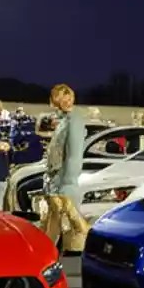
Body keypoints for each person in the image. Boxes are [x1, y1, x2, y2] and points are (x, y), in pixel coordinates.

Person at [39, 84, 90, 254]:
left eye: (68, 97)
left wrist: (67, 183)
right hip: (56, 181)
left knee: (72, 227)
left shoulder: (74, 120)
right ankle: (45, 253)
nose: (65, 101)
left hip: (64, 183)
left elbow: (74, 154)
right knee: (54, 222)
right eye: (61, 98)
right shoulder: (65, 120)